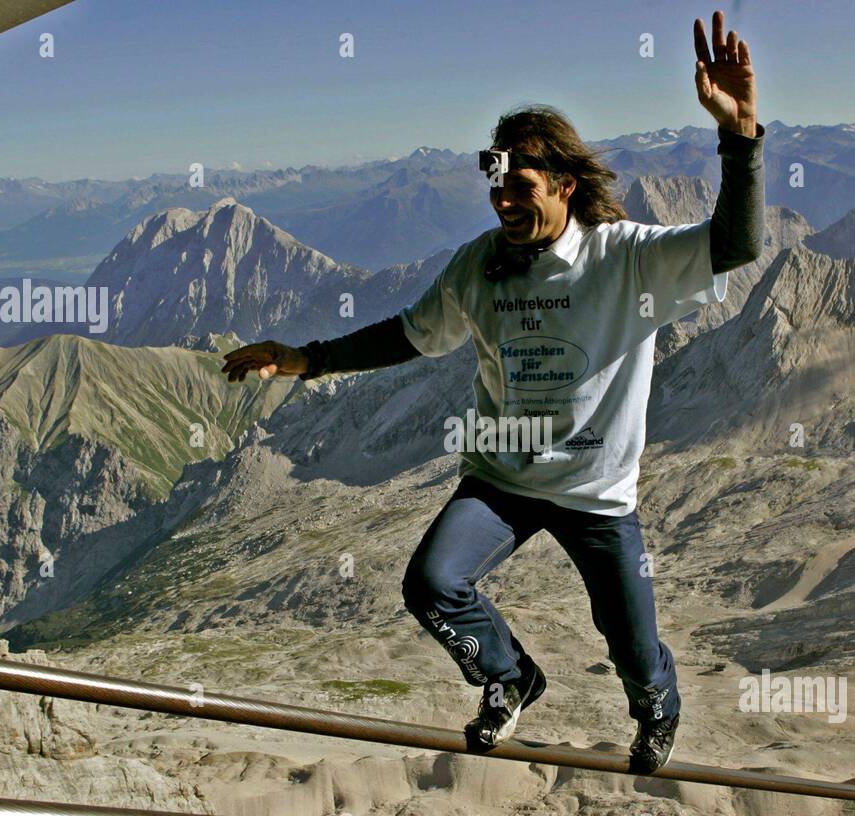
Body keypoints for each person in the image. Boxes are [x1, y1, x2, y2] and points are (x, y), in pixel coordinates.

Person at [223, 11, 763, 772]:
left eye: (522, 186)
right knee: (432, 583)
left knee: (632, 645)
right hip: (503, 476)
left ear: (567, 187)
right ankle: (511, 678)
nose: (504, 200)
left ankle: (656, 704)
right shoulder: (481, 265)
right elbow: (408, 335)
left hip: (596, 490)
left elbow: (735, 245)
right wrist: (306, 359)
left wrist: (739, 138)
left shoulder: (625, 259)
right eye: (496, 184)